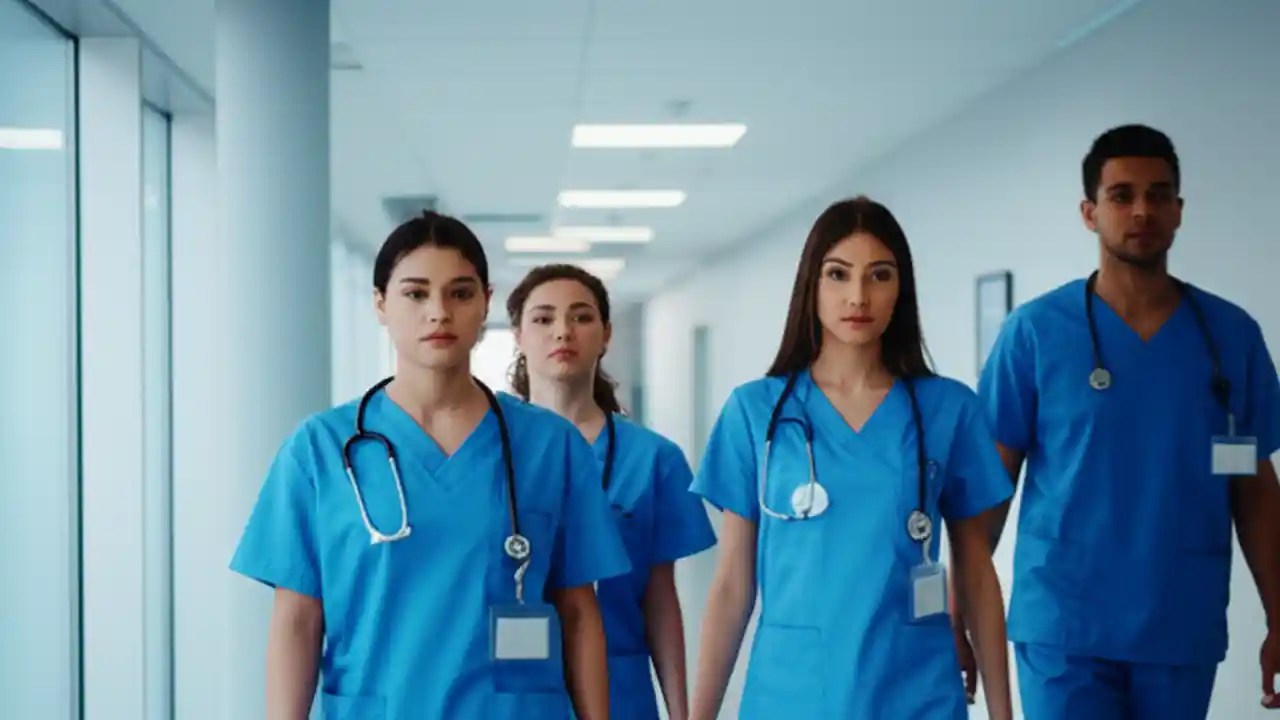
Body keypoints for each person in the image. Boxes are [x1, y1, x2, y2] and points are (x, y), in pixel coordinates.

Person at [229, 211, 632, 720]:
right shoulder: (321, 449)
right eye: (416, 294)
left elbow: (578, 614)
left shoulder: (551, 446)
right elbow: (296, 621)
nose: (439, 312)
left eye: (460, 294)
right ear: (380, 304)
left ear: (486, 302)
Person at [976, 123, 1280, 718]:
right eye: (1122, 195)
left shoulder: (1229, 338)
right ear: (1090, 212)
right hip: (1064, 628)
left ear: (1180, 210)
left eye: (1159, 194)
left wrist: (1279, 614)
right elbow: (992, 484)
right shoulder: (1036, 334)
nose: (1142, 210)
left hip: (1177, 625)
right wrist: (962, 604)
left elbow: (1254, 488)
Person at [687, 196, 1014, 720]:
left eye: (879, 276)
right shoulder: (756, 412)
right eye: (838, 275)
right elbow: (731, 585)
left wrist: (1003, 712)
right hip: (792, 691)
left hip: (913, 686)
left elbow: (975, 572)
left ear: (899, 289)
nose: (858, 295)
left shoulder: (948, 409)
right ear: (810, 287)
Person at [506, 263, 717, 720]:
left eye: (581, 317)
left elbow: (660, 599)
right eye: (543, 319)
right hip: (512, 690)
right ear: (518, 336)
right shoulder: (489, 452)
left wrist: (681, 713)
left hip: (622, 692)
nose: (563, 331)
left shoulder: (653, 458)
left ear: (606, 334)